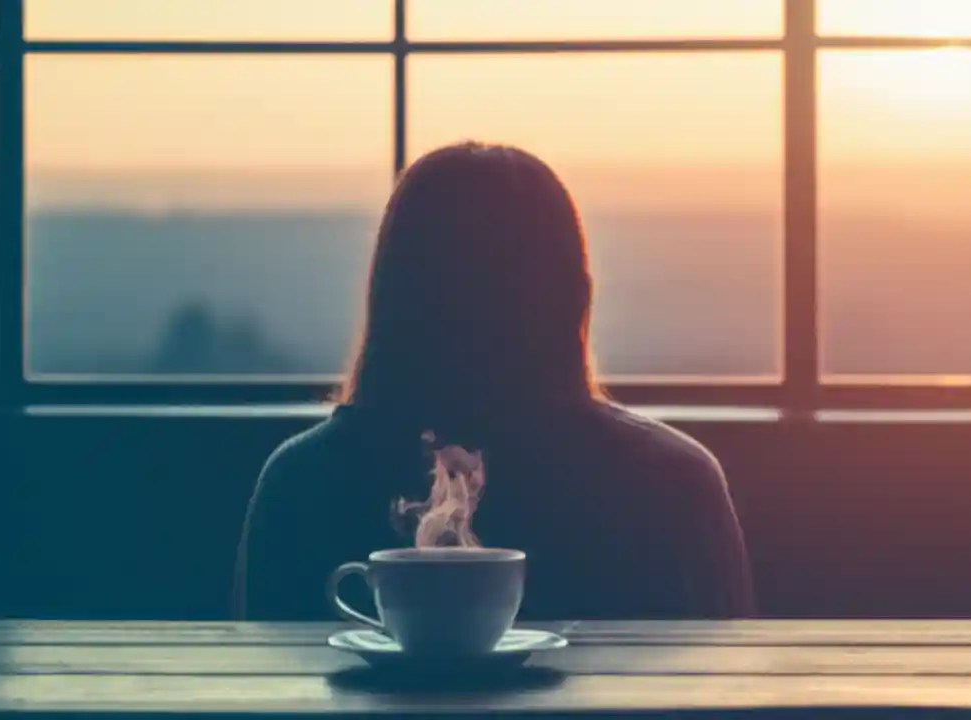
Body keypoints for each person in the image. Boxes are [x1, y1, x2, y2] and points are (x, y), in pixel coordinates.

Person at [235, 142, 754, 620]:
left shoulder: (301, 481)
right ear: (575, 296)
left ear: (392, 296)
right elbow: (734, 690)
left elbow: (248, 693)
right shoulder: (674, 483)